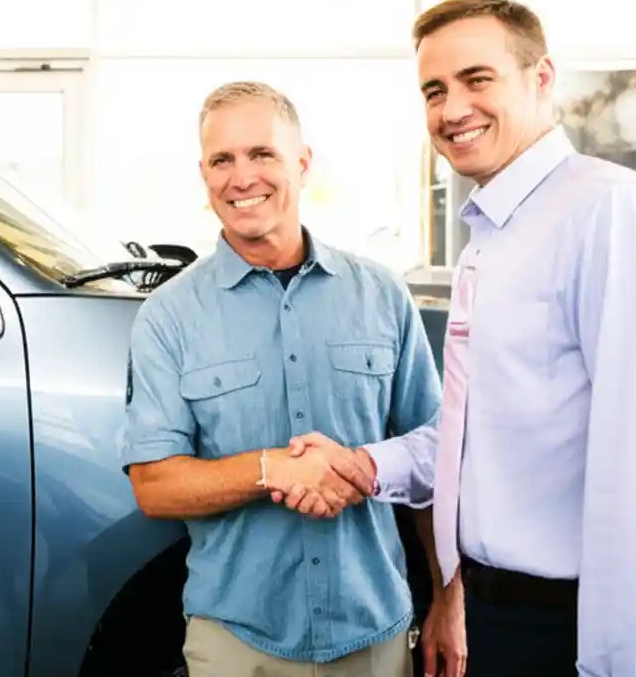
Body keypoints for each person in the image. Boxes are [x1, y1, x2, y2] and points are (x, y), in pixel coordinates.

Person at [411, 0, 636, 676]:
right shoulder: (493, 234)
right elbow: (489, 436)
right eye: (434, 90)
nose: (451, 108)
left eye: (477, 79)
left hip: (581, 634)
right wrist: (369, 467)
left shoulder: (611, 213)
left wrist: (620, 665)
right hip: (502, 621)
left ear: (541, 78)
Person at [120, 80, 458, 676]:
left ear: (302, 164)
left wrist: (449, 603)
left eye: (262, 154)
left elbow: (439, 458)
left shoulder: (381, 295)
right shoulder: (169, 317)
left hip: (376, 637)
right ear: (204, 176)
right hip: (238, 645)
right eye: (222, 160)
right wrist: (273, 468)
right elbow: (155, 485)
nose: (241, 177)